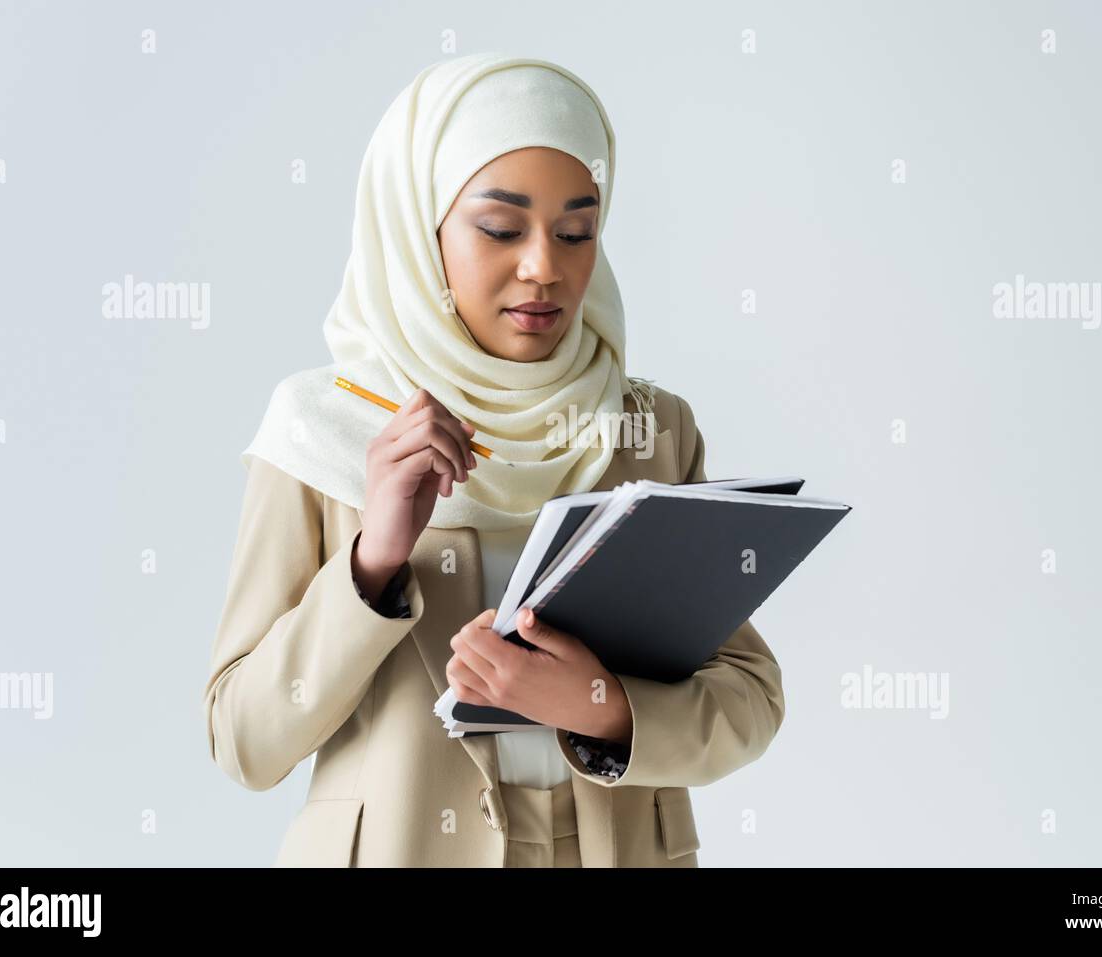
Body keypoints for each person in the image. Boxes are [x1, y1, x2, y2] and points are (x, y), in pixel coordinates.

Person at [201, 51, 785, 867]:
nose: (545, 266)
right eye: (501, 228)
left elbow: (750, 701)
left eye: (578, 230)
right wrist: (373, 560)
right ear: (418, 225)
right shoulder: (325, 430)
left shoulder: (648, 429)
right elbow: (243, 740)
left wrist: (597, 704)